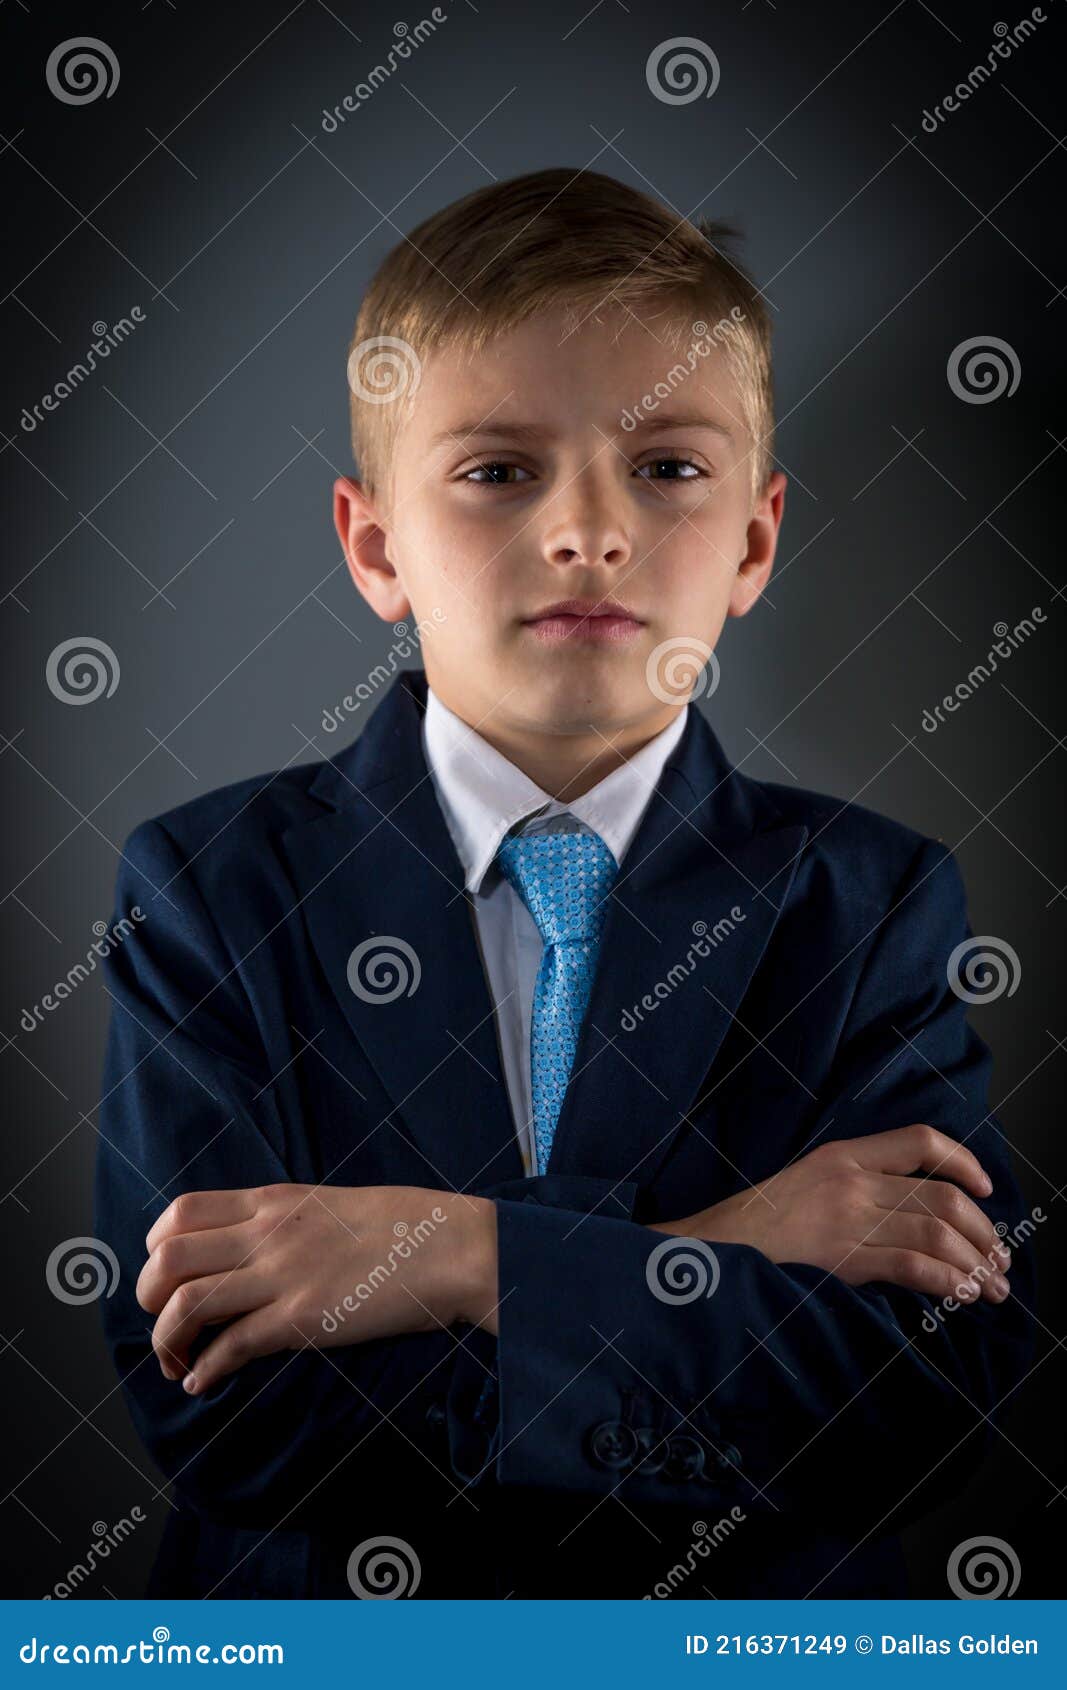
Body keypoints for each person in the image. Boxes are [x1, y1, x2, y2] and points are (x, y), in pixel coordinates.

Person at [94, 169, 1034, 1600]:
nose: (588, 528)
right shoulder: (210, 889)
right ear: (373, 544)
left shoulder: (872, 902)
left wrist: (451, 1251)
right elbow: (234, 1418)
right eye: (497, 469)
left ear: (757, 542)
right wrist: (725, 1251)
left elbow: (913, 1408)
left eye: (667, 466)